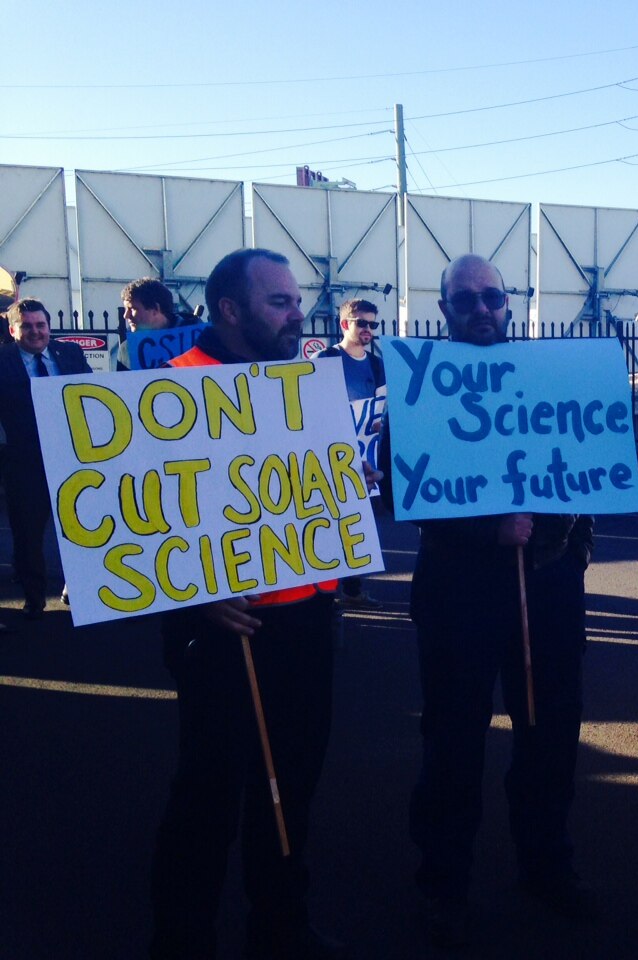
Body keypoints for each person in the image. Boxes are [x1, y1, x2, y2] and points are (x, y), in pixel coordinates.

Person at [149, 248, 343, 960]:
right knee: (208, 792)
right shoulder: (170, 389)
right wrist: (194, 593)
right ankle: (181, 938)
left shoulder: (304, 384)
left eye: (296, 301)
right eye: (280, 303)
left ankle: (280, 923)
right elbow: (138, 524)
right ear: (230, 311)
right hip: (224, 627)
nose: (299, 314)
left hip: (306, 618)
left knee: (292, 784)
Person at [402, 254, 595, 948]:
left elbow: (586, 459)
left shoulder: (548, 378)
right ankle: (444, 881)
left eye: (493, 297)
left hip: (547, 587)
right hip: (458, 588)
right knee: (453, 738)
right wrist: (489, 525)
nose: (482, 310)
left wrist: (562, 533)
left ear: (509, 303)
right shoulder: (418, 382)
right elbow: (407, 488)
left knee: (550, 731)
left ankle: (547, 864)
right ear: (445, 310)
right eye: (465, 301)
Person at [0, 298, 91, 619]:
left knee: (81, 529)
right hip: (25, 463)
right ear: (13, 330)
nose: (36, 332)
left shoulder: (71, 353)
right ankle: (34, 600)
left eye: (41, 325)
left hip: (72, 459)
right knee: (28, 535)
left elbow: (91, 394)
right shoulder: (2, 360)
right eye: (27, 326)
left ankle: (85, 591)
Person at [318, 298, 385, 610]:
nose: (368, 329)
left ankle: (354, 588)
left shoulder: (377, 364)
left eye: (372, 323)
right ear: (345, 324)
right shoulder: (325, 359)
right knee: (330, 525)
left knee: (361, 527)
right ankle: (325, 591)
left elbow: (384, 411)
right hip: (330, 461)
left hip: (366, 462)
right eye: (362, 323)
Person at [117, 277, 197, 371]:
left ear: (155, 308)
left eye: (133, 309)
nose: (126, 316)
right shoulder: (126, 349)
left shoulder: (197, 339)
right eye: (126, 309)